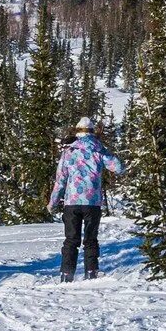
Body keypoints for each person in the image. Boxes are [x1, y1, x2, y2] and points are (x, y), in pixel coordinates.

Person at [48, 116, 124, 282]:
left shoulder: (69, 151)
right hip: (92, 202)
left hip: (72, 202)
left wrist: (53, 202)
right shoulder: (98, 149)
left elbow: (60, 179)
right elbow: (118, 168)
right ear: (92, 131)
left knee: (71, 239)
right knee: (90, 239)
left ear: (77, 132)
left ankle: (67, 274)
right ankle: (91, 272)